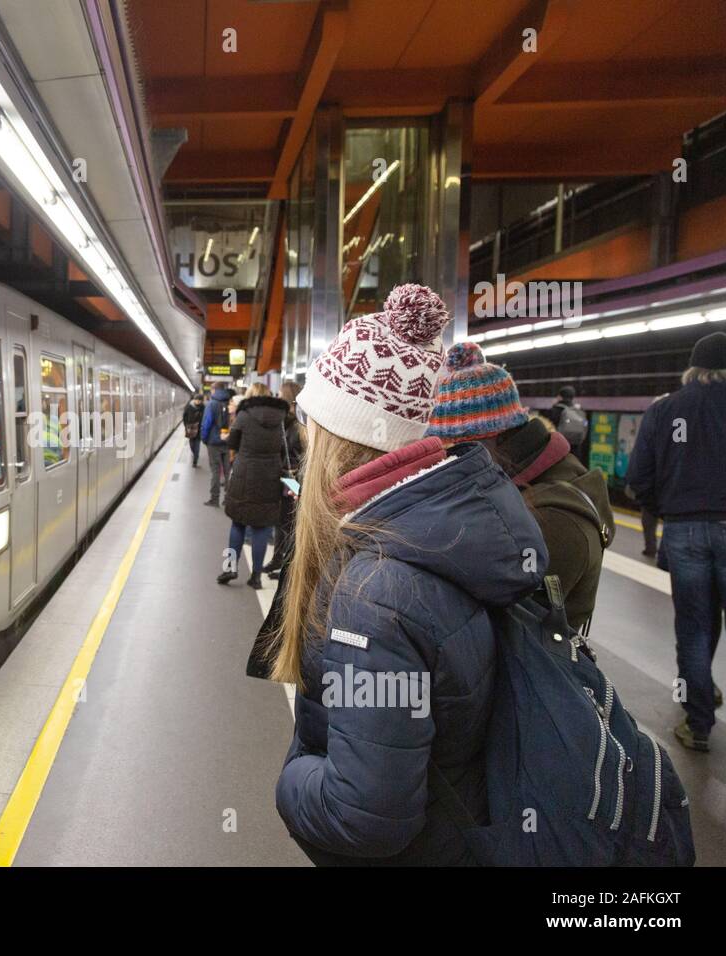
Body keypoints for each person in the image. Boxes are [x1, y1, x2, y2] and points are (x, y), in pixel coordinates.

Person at [256, 283, 548, 865]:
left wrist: (289, 780)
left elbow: (366, 817)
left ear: (337, 438)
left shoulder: (377, 593)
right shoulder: (431, 531)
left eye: (310, 423)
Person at [425, 342, 614, 633]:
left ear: (486, 442)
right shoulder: (522, 484)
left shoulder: (551, 519)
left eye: (452, 450)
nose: (445, 462)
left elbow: (491, 630)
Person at [626, 331, 726, 753]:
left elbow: (638, 479)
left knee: (693, 626)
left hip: (684, 529)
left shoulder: (665, 410)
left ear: (693, 368)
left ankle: (698, 720)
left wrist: (667, 508)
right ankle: (704, 693)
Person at [217, 383, 290, 590]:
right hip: (270, 477)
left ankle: (230, 567)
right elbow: (283, 448)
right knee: (262, 528)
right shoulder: (281, 417)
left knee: (238, 524)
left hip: (245, 475)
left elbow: (232, 443)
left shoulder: (245, 415)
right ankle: (256, 576)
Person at [262, 380, 303, 578]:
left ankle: (285, 566)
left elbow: (298, 454)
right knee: (282, 521)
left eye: (279, 395)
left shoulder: (298, 426)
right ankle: (277, 559)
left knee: (289, 523)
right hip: (286, 476)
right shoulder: (287, 423)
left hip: (293, 478)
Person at [200, 383, 233, 506]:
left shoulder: (211, 404)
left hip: (213, 443)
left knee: (215, 471)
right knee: (227, 471)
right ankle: (228, 499)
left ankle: (215, 499)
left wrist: (204, 438)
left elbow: (206, 423)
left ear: (213, 390)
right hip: (227, 441)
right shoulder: (229, 402)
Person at [546, 385, 589, 456]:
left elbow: (548, 427)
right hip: (576, 449)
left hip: (559, 449)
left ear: (559, 397)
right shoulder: (579, 411)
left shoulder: (555, 410)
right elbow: (585, 425)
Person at [182, 392, 205, 467]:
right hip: (190, 428)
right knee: (192, 445)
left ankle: (195, 461)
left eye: (199, 400)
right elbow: (184, 417)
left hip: (199, 429)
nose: (198, 401)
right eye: (197, 400)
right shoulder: (188, 407)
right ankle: (194, 453)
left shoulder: (203, 407)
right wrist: (186, 426)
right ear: (194, 400)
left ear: (201, 401)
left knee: (197, 446)